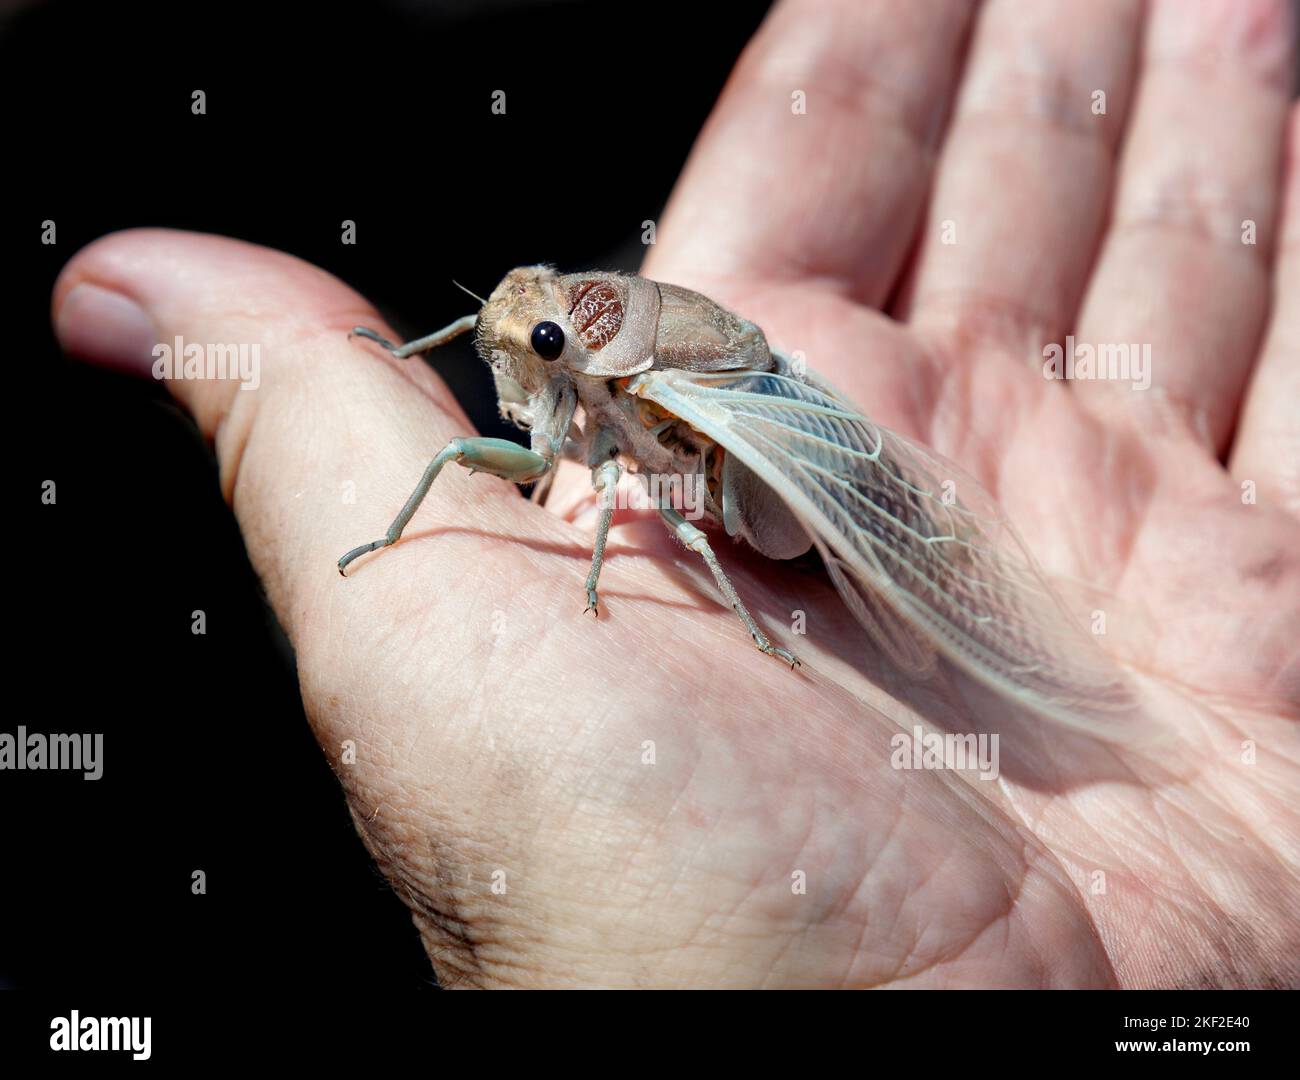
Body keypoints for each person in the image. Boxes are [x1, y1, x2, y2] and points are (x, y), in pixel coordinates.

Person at [52, 0, 1299, 988]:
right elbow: (520, 340)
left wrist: (721, 608)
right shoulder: (570, 348)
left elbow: (668, 506)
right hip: (711, 407)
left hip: (771, 473)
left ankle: (904, 591)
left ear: (592, 357)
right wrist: (432, 350)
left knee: (658, 498)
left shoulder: (629, 392)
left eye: (548, 346)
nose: (520, 346)